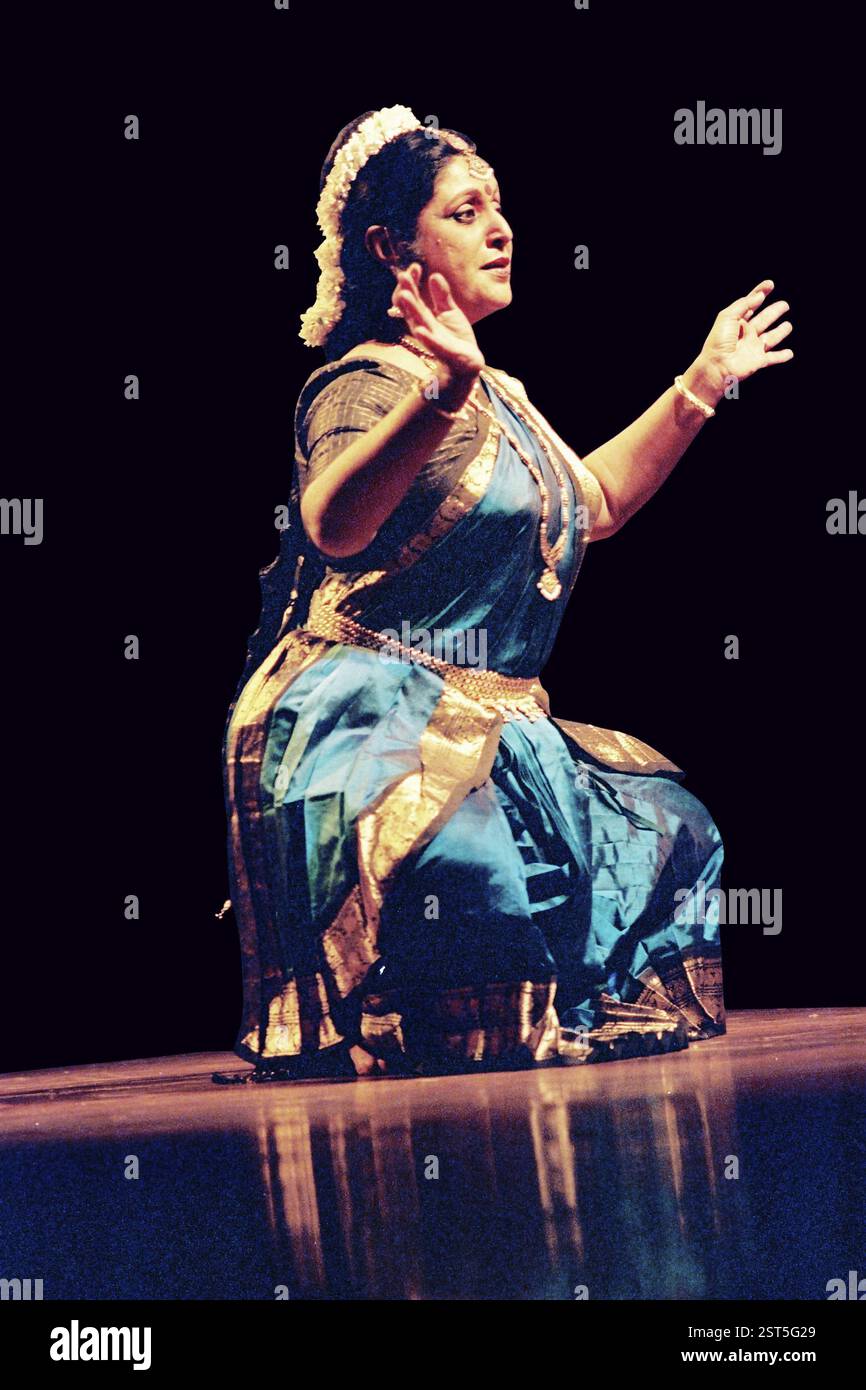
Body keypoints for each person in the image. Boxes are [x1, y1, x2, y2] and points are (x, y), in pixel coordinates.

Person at [218, 105, 794, 1082]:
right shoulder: (362, 383)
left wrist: (699, 384)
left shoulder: (499, 392)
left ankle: (559, 1015)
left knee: (674, 826)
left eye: (500, 207)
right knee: (463, 869)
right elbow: (333, 524)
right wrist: (437, 391)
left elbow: (595, 500)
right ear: (387, 245)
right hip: (368, 718)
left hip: (496, 722)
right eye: (466, 210)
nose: (501, 229)